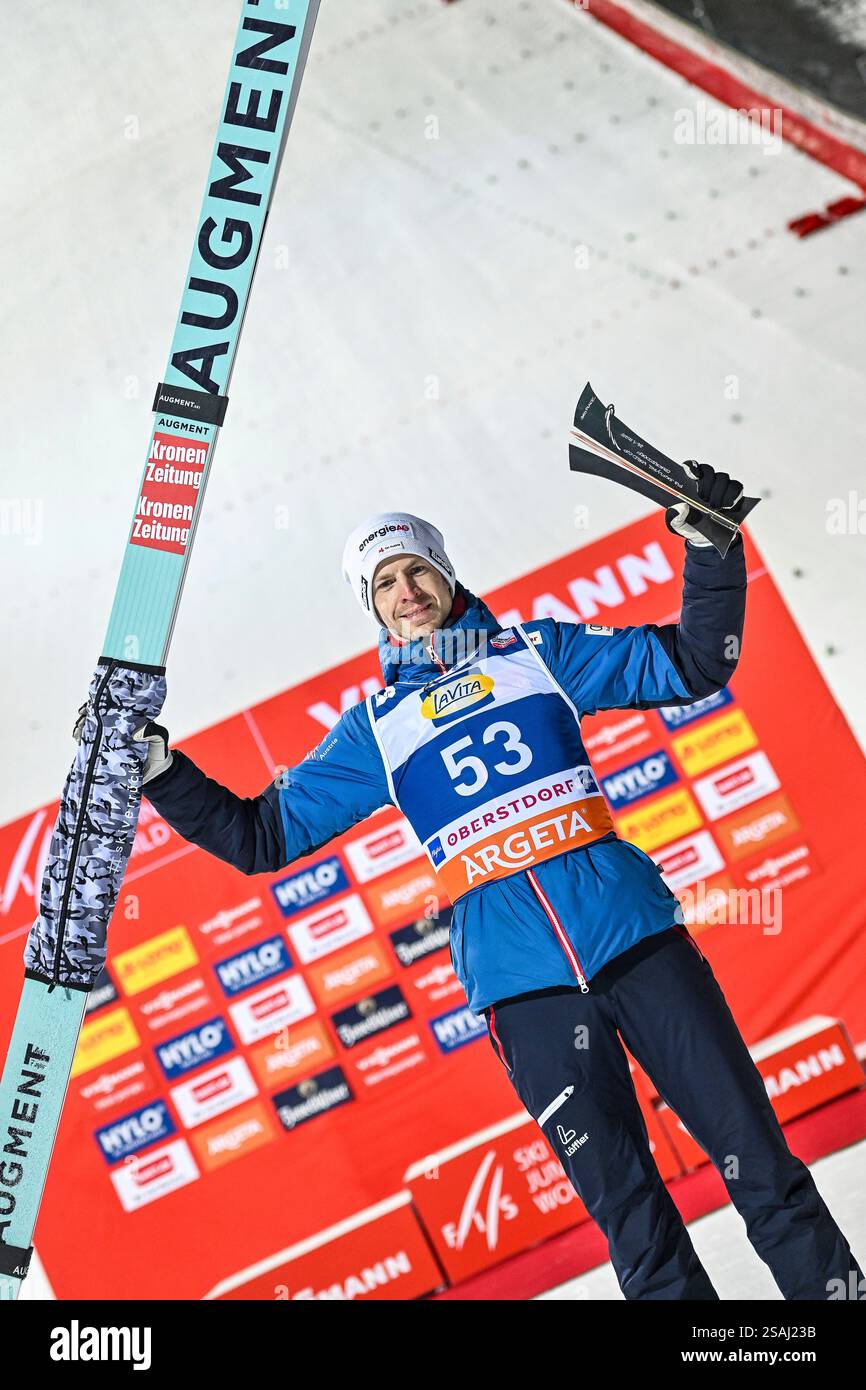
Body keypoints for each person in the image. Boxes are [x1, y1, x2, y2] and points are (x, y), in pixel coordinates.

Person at [136, 474, 863, 1301]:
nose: (406, 593)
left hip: (638, 946)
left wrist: (711, 549)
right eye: (384, 583)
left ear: (446, 573)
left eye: (416, 570)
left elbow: (694, 663)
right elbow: (260, 837)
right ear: (369, 607)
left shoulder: (539, 653)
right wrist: (159, 770)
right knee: (637, 1227)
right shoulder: (374, 728)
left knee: (762, 1165)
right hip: (526, 996)